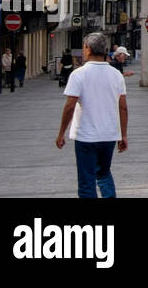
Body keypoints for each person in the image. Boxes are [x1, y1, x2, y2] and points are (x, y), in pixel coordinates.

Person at [55, 32, 128, 198]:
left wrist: (61, 133)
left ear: (87, 49)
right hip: (109, 135)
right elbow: (123, 108)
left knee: (86, 181)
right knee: (103, 174)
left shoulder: (79, 74)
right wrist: (123, 135)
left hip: (86, 136)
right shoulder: (116, 75)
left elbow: (69, 106)